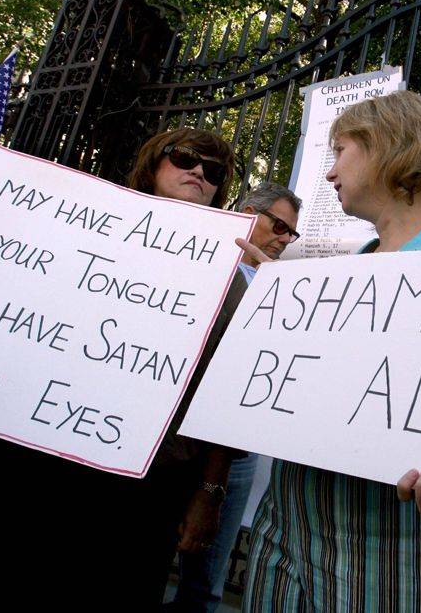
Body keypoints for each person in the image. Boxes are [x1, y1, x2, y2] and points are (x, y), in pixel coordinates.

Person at [0, 127, 248, 610]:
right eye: (187, 158)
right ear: (152, 164)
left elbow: (225, 392)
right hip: (31, 464)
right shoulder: (75, 231)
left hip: (142, 491)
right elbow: (9, 323)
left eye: (214, 172)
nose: (199, 174)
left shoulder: (227, 274)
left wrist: (209, 492)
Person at [240, 90, 421, 611]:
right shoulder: (358, 260)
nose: (331, 173)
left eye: (340, 151)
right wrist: (278, 306)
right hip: (293, 516)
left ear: (386, 144)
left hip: (396, 533)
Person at [169, 182, 301, 612]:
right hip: (175, 445)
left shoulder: (278, 284)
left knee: (206, 574)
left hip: (234, 457)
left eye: (291, 233)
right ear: (248, 212)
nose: (284, 238)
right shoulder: (198, 263)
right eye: (279, 226)